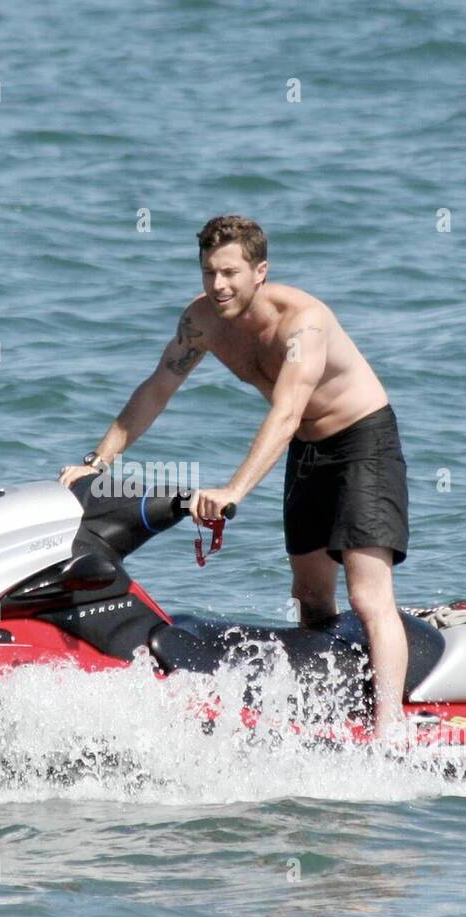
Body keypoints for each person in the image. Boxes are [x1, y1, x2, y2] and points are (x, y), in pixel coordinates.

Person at [58, 215, 410, 736]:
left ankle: (390, 728)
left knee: (368, 595)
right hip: (307, 451)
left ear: (260, 271)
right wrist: (96, 462)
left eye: (230, 273)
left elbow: (288, 413)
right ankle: (333, 699)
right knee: (311, 596)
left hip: (362, 443)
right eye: (208, 272)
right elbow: (156, 389)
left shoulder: (304, 324)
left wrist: (233, 491)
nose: (218, 285)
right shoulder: (201, 323)